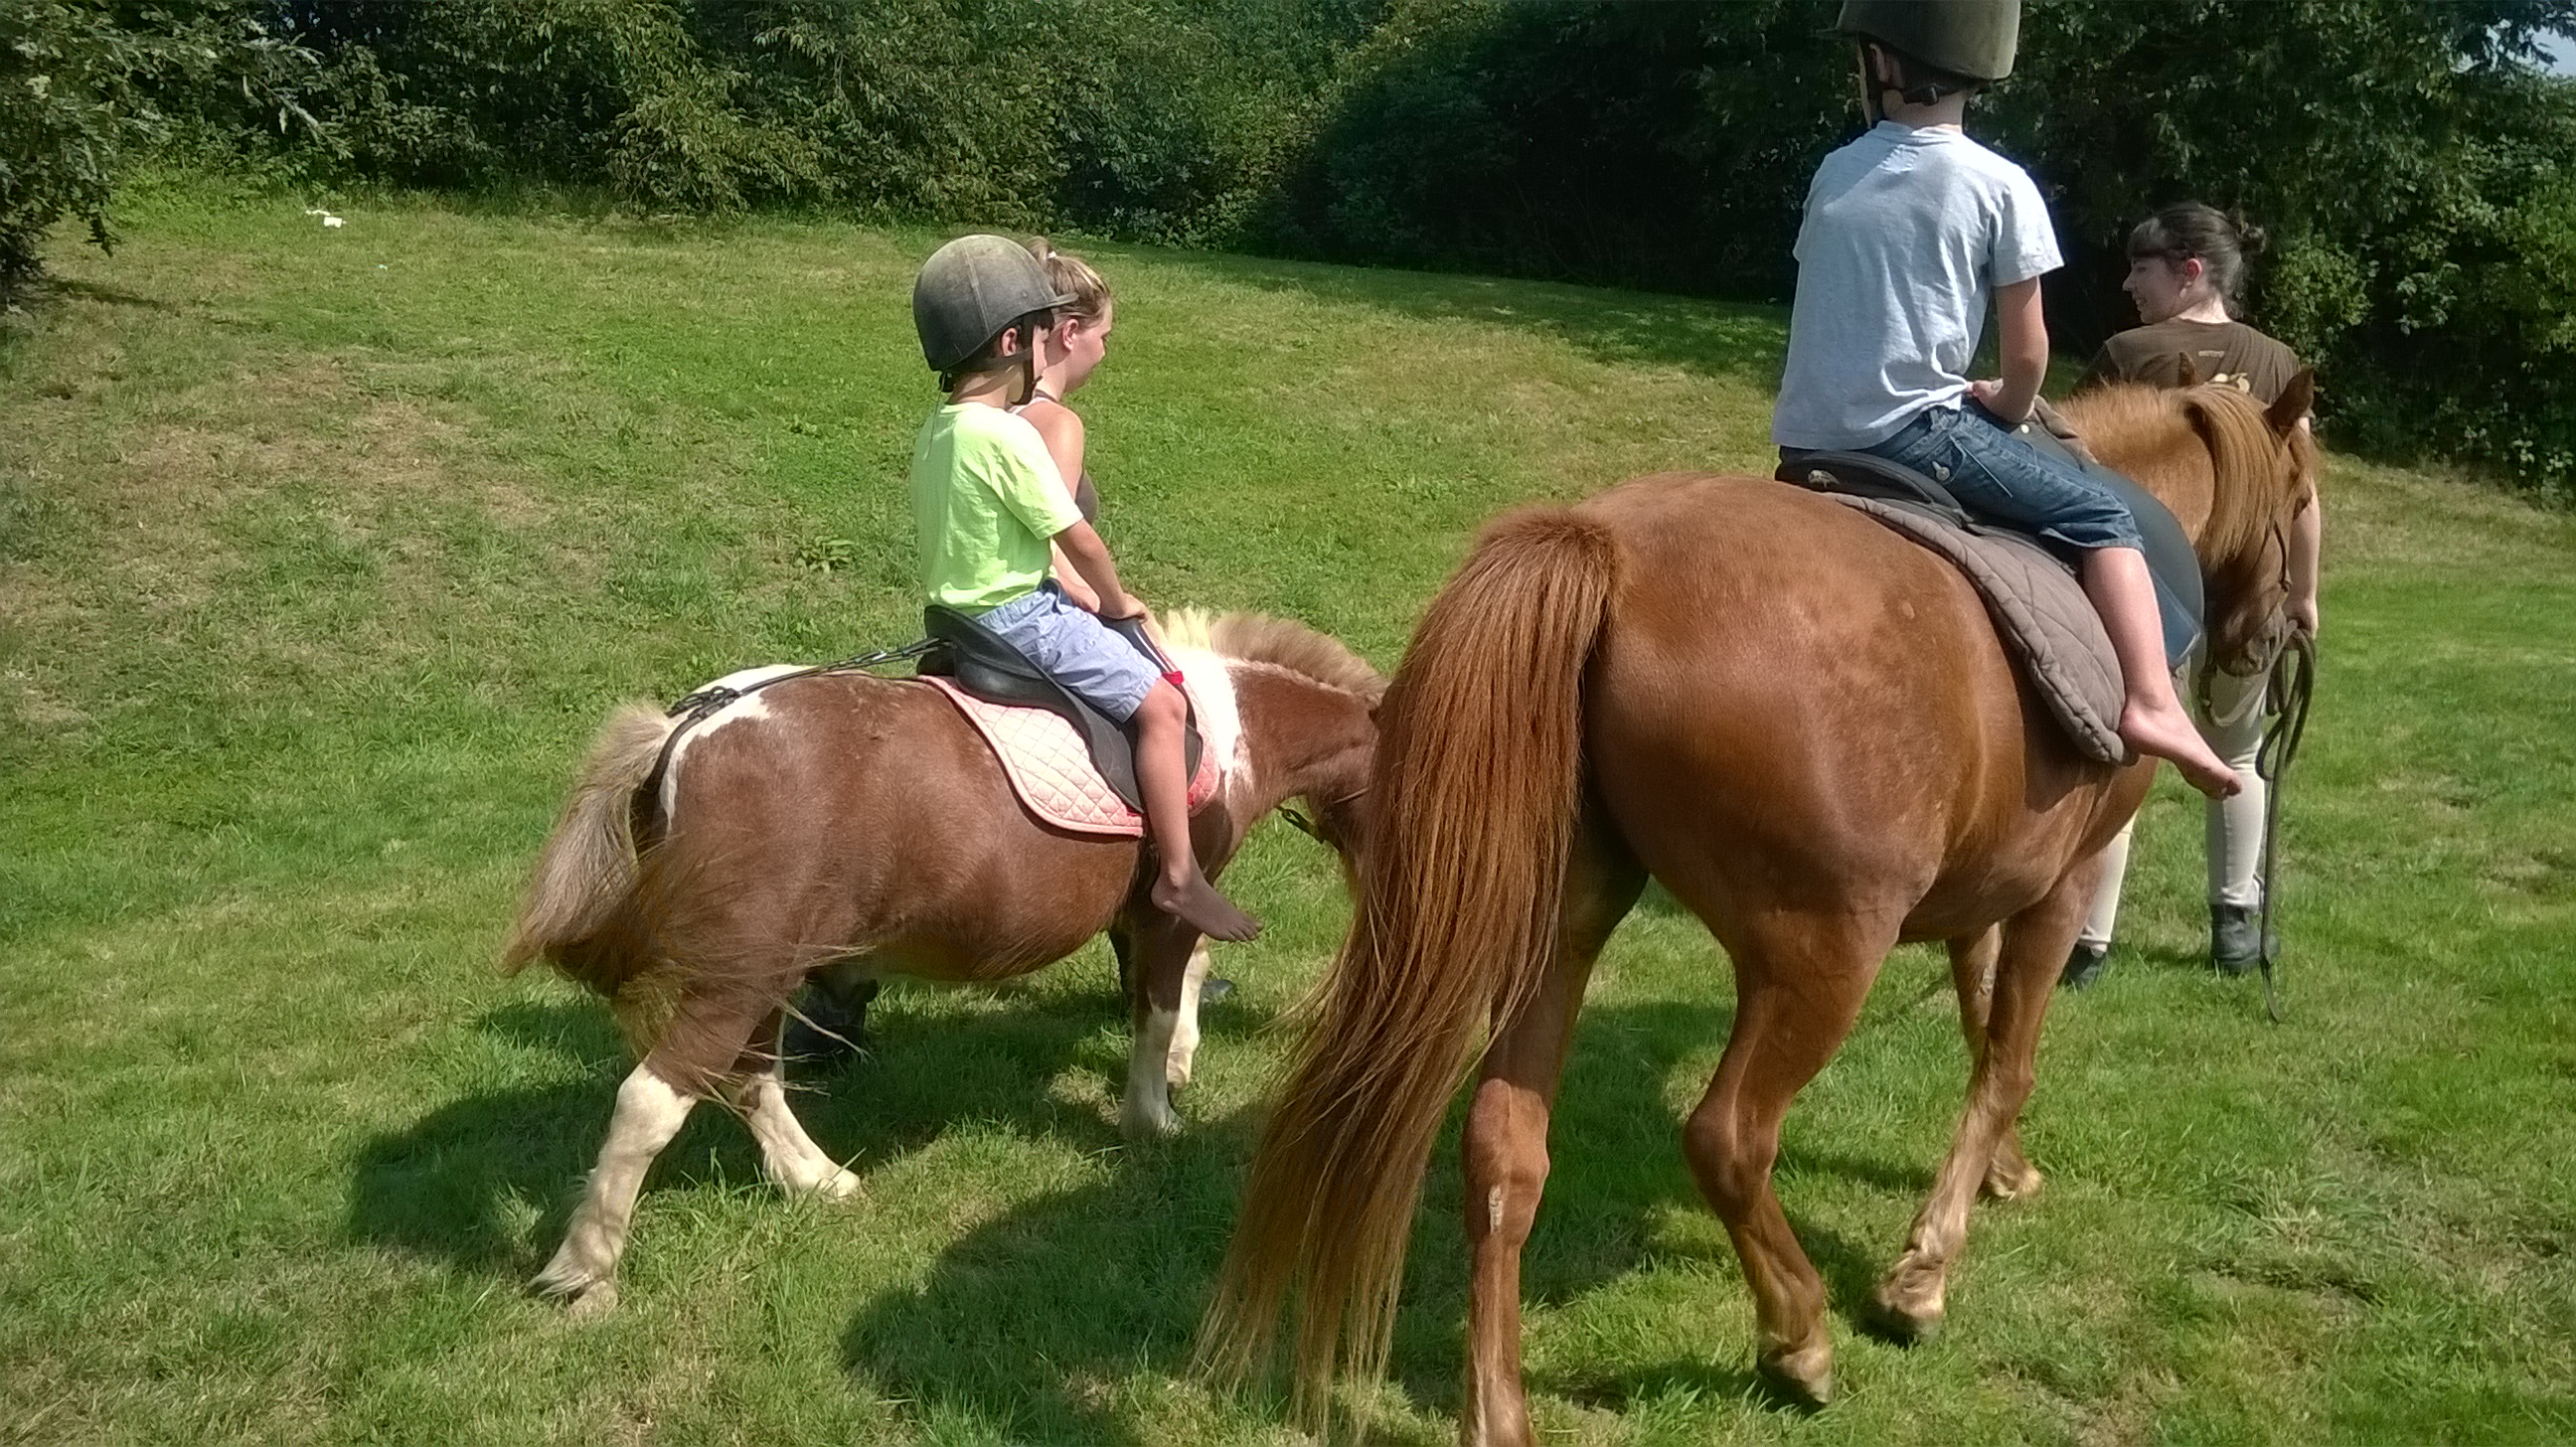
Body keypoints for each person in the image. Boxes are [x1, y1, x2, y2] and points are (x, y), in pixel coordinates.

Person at [1775, 0, 2240, 799]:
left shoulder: (1836, 170)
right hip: (1910, 435)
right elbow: (2029, 354)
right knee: (2103, 518)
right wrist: (2005, 400)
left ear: (1883, 63)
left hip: (1807, 441)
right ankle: (2153, 702)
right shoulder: (1998, 185)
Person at [908, 234, 1259, 943]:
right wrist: (1120, 599)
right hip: (1021, 617)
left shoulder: (938, 430)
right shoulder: (1004, 438)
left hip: (955, 615)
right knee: (1162, 706)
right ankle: (1181, 877)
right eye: (1041, 329)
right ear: (1015, 340)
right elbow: (1080, 540)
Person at [2061, 204, 2322, 987]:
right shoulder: (2275, 362)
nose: (2128, 283)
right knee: (2240, 750)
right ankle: (2234, 929)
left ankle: (2086, 943)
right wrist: (2304, 592)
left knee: (2124, 751)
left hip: (2140, 589)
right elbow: (2301, 496)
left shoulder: (2128, 353)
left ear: (2190, 270)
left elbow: (2073, 464)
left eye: (2142, 267)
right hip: (2248, 589)